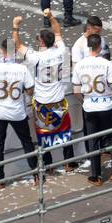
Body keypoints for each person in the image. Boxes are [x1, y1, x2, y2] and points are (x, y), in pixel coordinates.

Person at [14, 10, 75, 173]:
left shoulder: (36, 57)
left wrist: (15, 27)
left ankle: (48, 166)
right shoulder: (61, 50)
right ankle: (69, 162)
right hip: (59, 100)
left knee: (44, 134)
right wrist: (51, 16)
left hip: (42, 102)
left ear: (41, 42)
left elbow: (18, 45)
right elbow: (58, 30)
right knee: (64, 131)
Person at [72, 33, 112, 186]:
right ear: (100, 47)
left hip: (90, 106)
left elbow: (76, 91)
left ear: (88, 47)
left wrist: (85, 101)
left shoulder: (80, 65)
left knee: (93, 140)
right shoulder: (107, 64)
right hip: (106, 105)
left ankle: (96, 175)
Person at [0, 36, 36, 187]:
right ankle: (36, 174)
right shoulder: (22, 69)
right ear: (15, 51)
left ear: (2, 51)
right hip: (17, 112)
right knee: (27, 142)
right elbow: (30, 91)